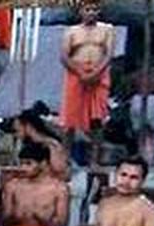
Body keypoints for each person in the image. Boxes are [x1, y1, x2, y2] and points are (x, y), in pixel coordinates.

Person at [59, 2, 114, 147]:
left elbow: (108, 54)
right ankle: (65, 156)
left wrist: (96, 72)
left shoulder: (107, 29)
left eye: (94, 9)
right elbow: (64, 56)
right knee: (70, 118)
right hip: (76, 74)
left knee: (97, 119)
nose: (91, 13)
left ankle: (95, 156)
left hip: (99, 74)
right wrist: (80, 73)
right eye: (87, 9)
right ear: (80, 12)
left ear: (99, 11)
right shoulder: (71, 31)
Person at [13, 110, 70, 181]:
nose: (16, 135)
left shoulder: (52, 144)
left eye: (17, 131)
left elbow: (61, 169)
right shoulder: (27, 146)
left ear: (28, 126)